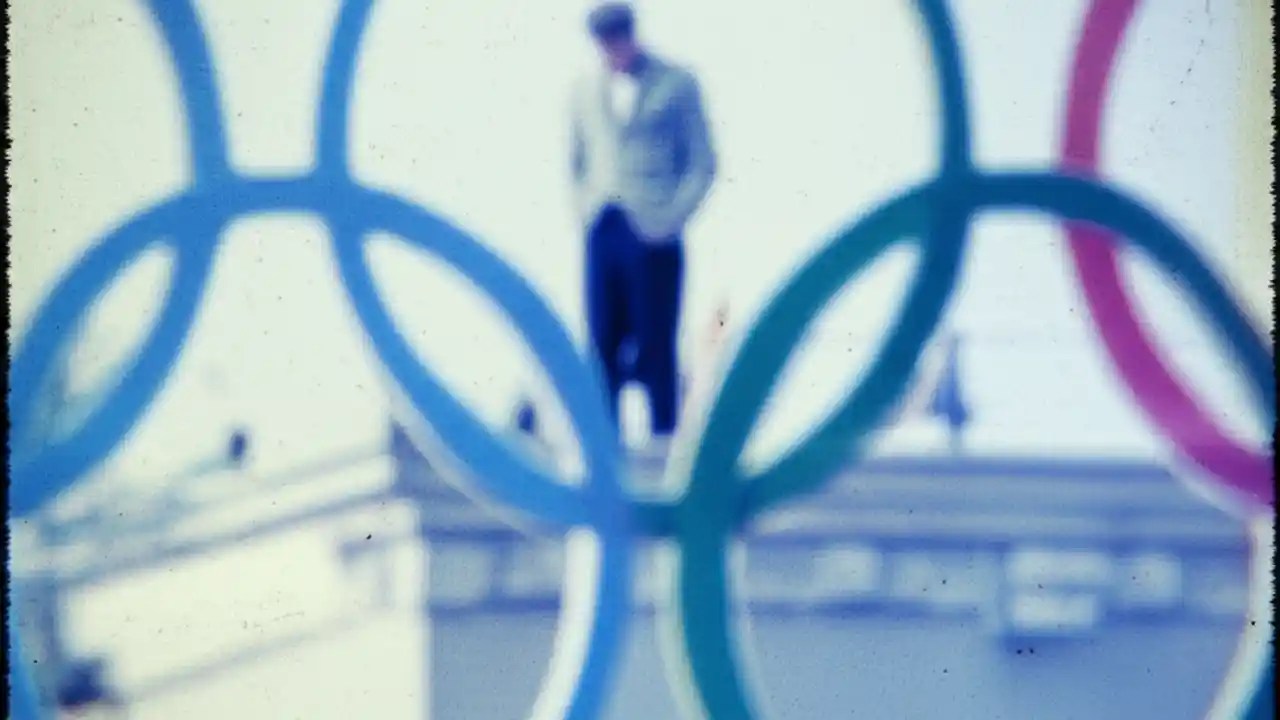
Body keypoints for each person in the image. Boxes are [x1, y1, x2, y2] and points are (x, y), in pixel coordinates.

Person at [570, 1, 718, 454]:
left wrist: (669, 220)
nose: (612, 47)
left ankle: (662, 450)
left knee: (656, 348)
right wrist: (586, 211)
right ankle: (605, 453)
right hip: (605, 227)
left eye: (618, 36)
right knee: (602, 346)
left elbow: (702, 162)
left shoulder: (677, 82)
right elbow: (576, 161)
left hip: (654, 231)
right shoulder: (584, 90)